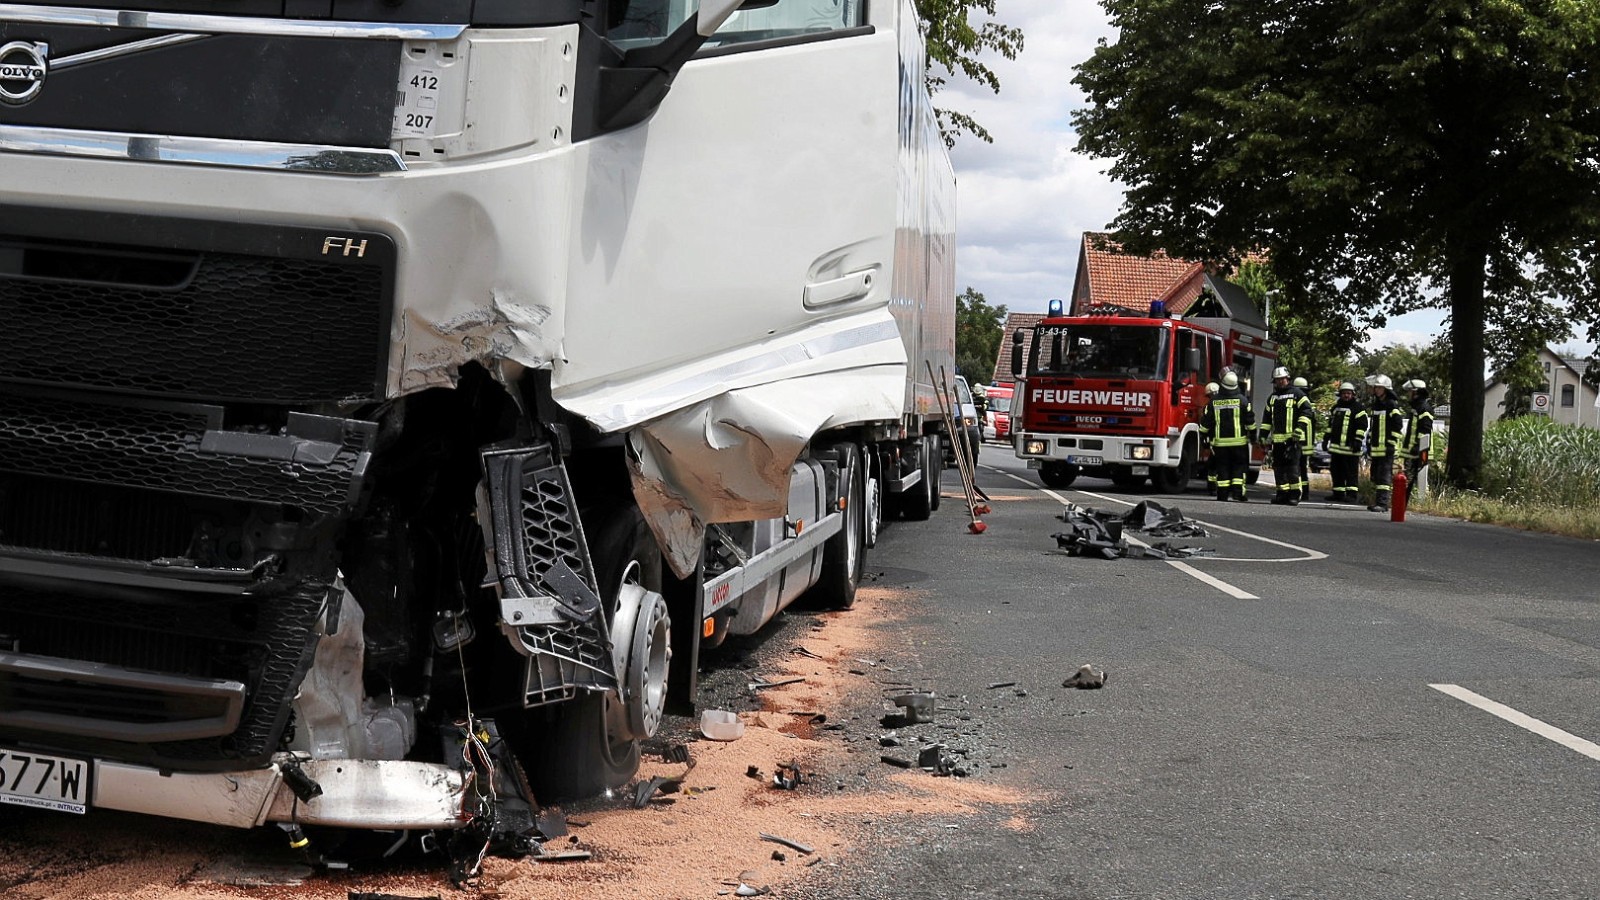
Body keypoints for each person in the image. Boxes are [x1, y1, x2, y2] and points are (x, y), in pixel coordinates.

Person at [1201, 371, 1253, 501]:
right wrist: (1253, 435)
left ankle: (1222, 494)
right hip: (1239, 443)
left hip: (1220, 444)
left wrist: (1203, 438)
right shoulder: (1243, 400)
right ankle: (1237, 493)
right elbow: (1250, 421)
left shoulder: (1213, 401)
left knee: (1222, 468)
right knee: (1238, 468)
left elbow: (1206, 422)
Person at [1265, 366, 1309, 505]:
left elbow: (1307, 411)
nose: (1280, 382)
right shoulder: (1272, 398)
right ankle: (1282, 494)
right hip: (1278, 440)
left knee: (1292, 469)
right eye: (1277, 380)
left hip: (1293, 440)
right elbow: (1266, 419)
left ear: (1287, 379)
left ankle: (1294, 495)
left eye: (1282, 379)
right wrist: (1262, 436)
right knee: (1278, 469)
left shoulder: (1298, 394)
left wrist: (1299, 429)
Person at [1323, 382, 1367, 503]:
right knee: (1336, 471)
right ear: (1340, 394)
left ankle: (1352, 495)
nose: (1346, 396)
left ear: (1353, 394)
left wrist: (1358, 440)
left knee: (1351, 473)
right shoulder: (1336, 408)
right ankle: (1338, 493)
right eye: (1344, 393)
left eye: (1348, 393)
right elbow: (1330, 426)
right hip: (1336, 448)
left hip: (1351, 448)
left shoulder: (1358, 408)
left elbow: (1362, 425)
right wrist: (1326, 439)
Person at [1365, 374, 1404, 511]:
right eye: (1375, 387)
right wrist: (1369, 443)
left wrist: (1390, 442)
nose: (1376, 390)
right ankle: (1378, 502)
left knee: (1384, 476)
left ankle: (1383, 504)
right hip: (1376, 447)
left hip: (1387, 448)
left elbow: (1398, 425)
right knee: (1375, 475)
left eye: (1379, 388)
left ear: (1386, 389)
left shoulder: (1391, 405)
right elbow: (1373, 426)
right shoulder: (1376, 405)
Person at [1399, 379, 1435, 491]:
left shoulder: (1424, 408)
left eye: (1410, 391)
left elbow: (1425, 430)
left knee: (1418, 480)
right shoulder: (1416, 408)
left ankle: (1419, 501)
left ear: (1416, 392)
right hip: (1412, 451)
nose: (1408, 394)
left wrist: (1418, 447)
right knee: (1408, 479)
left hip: (1419, 451)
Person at [1292, 376, 1317, 501]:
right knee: (1301, 468)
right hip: (1307, 441)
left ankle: (1301, 492)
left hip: (1300, 440)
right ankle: (1305, 493)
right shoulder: (1310, 404)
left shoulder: (1299, 404)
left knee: (1297, 467)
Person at [1202, 381, 1221, 494]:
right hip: (1226, 440)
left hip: (1215, 440)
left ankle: (1213, 487)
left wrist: (1204, 438)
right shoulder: (1224, 404)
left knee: (1213, 465)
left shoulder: (1209, 406)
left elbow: (1205, 424)